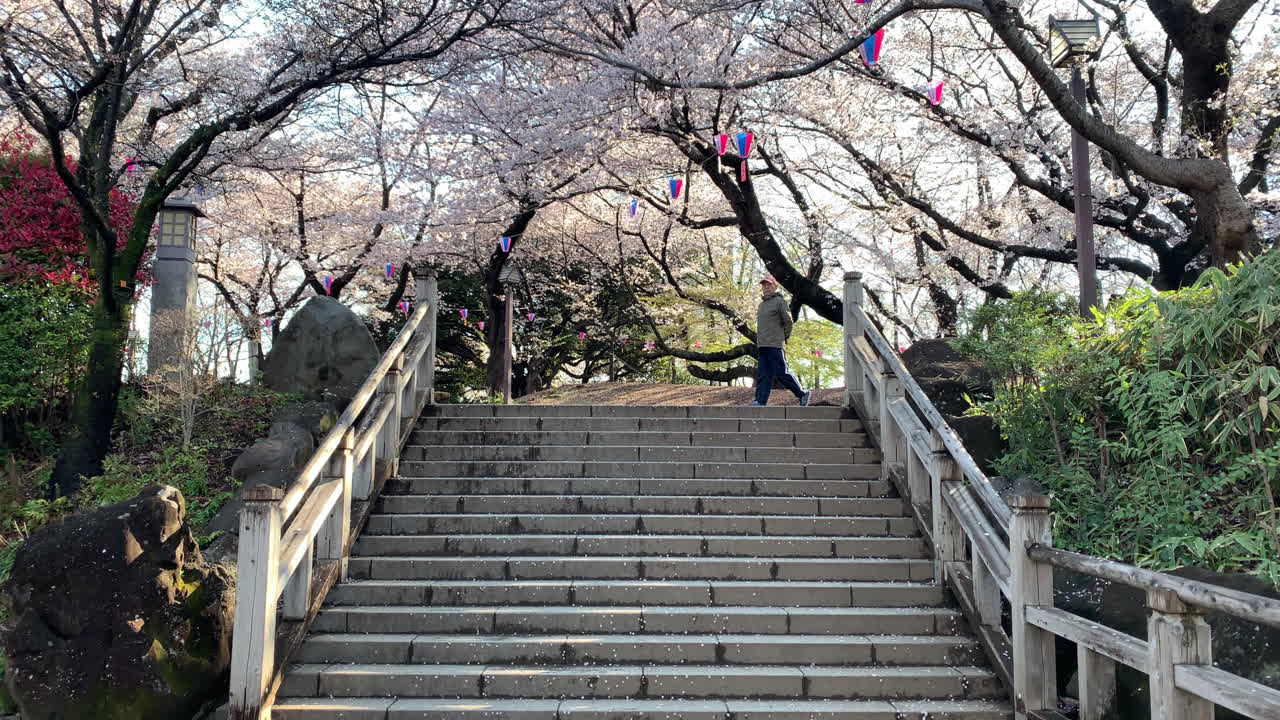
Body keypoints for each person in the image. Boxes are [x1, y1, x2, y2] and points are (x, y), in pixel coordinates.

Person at [753, 275, 810, 407]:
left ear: (775, 287)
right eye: (764, 285)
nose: (766, 288)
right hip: (762, 345)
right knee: (763, 375)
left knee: (781, 373)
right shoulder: (762, 305)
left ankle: (802, 394)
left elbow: (788, 322)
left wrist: (784, 338)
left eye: (769, 285)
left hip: (775, 345)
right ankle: (760, 401)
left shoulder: (780, 302)